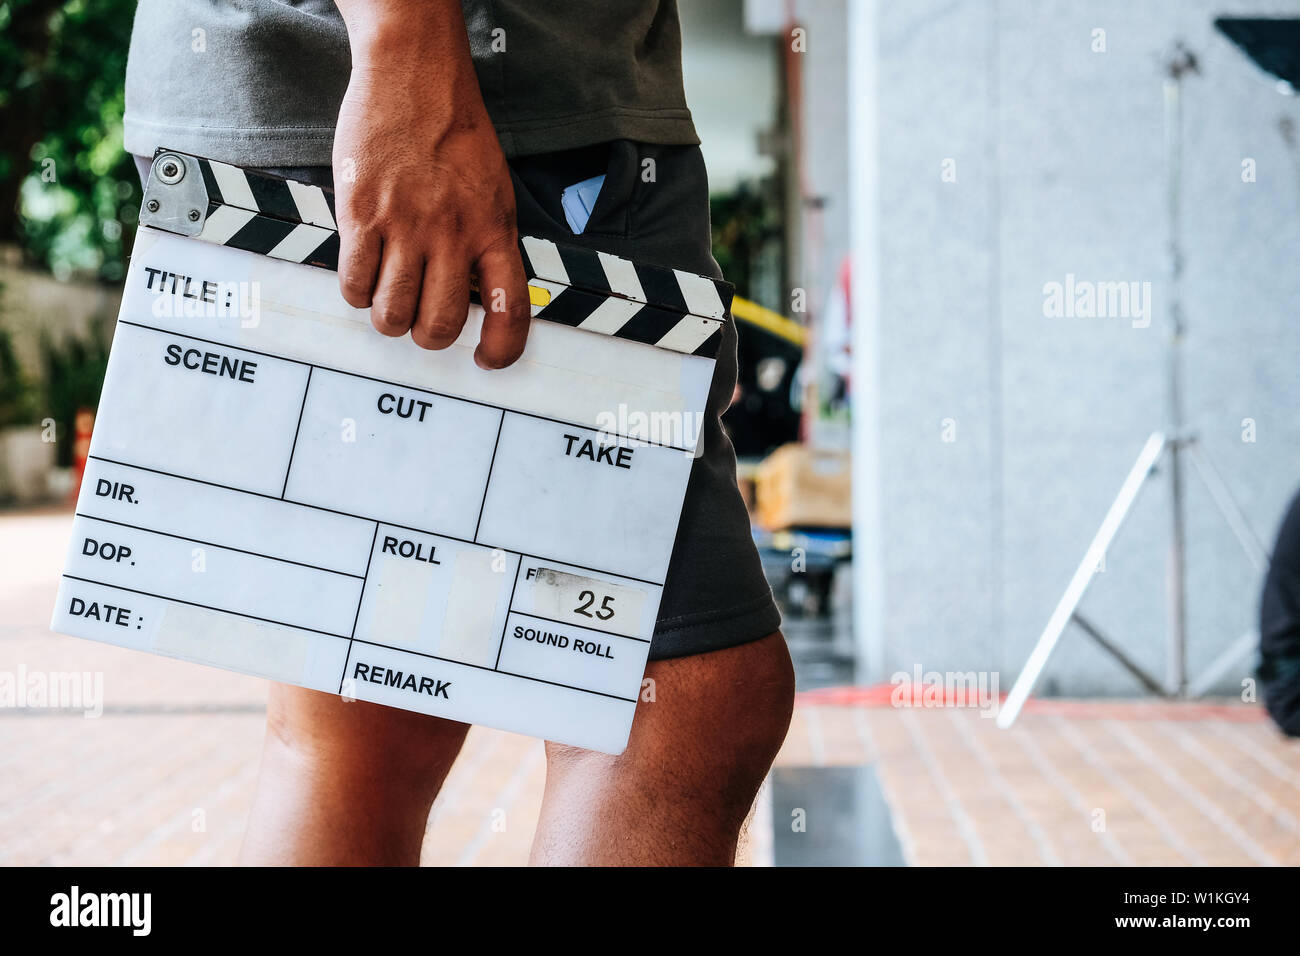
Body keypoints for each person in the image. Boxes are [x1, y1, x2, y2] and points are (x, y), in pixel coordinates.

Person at [123, 0, 793, 866]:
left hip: (338, 82)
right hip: (490, 100)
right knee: (678, 700)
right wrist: (406, 61)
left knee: (367, 717)